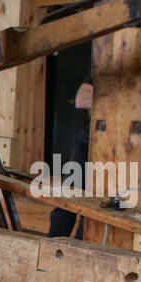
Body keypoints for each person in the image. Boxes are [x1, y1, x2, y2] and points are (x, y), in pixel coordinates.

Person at [49, 80, 92, 239]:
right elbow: (82, 99)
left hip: (121, 149)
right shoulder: (101, 68)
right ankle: (48, 257)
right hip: (87, 142)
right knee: (65, 204)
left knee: (93, 215)